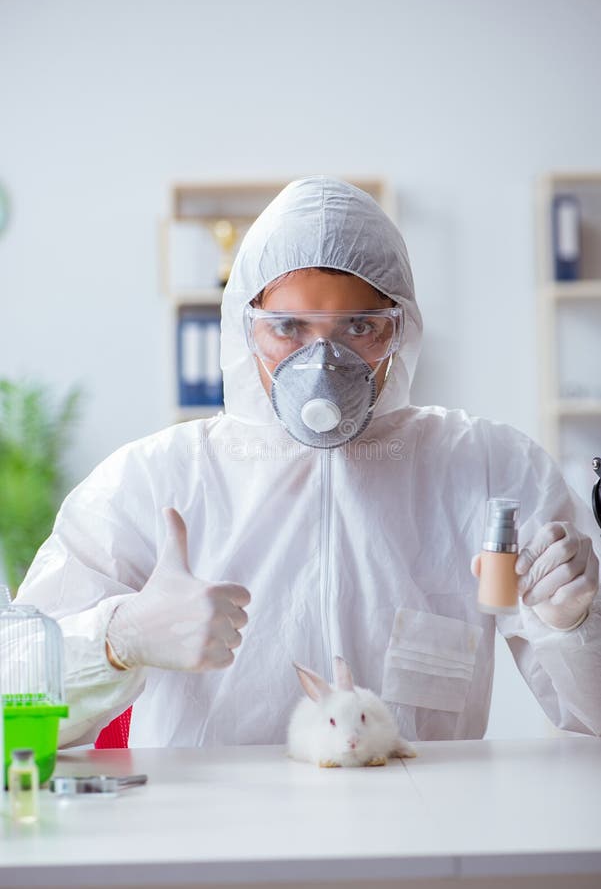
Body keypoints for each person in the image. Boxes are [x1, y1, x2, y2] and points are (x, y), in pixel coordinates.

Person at [16, 176, 601, 747]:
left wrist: (576, 626)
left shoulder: (489, 468)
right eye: (288, 327)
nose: (322, 363)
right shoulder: (153, 481)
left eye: (361, 327)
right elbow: (12, 694)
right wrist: (117, 640)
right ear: (246, 330)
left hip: (419, 808)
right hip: (207, 813)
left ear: (400, 331)